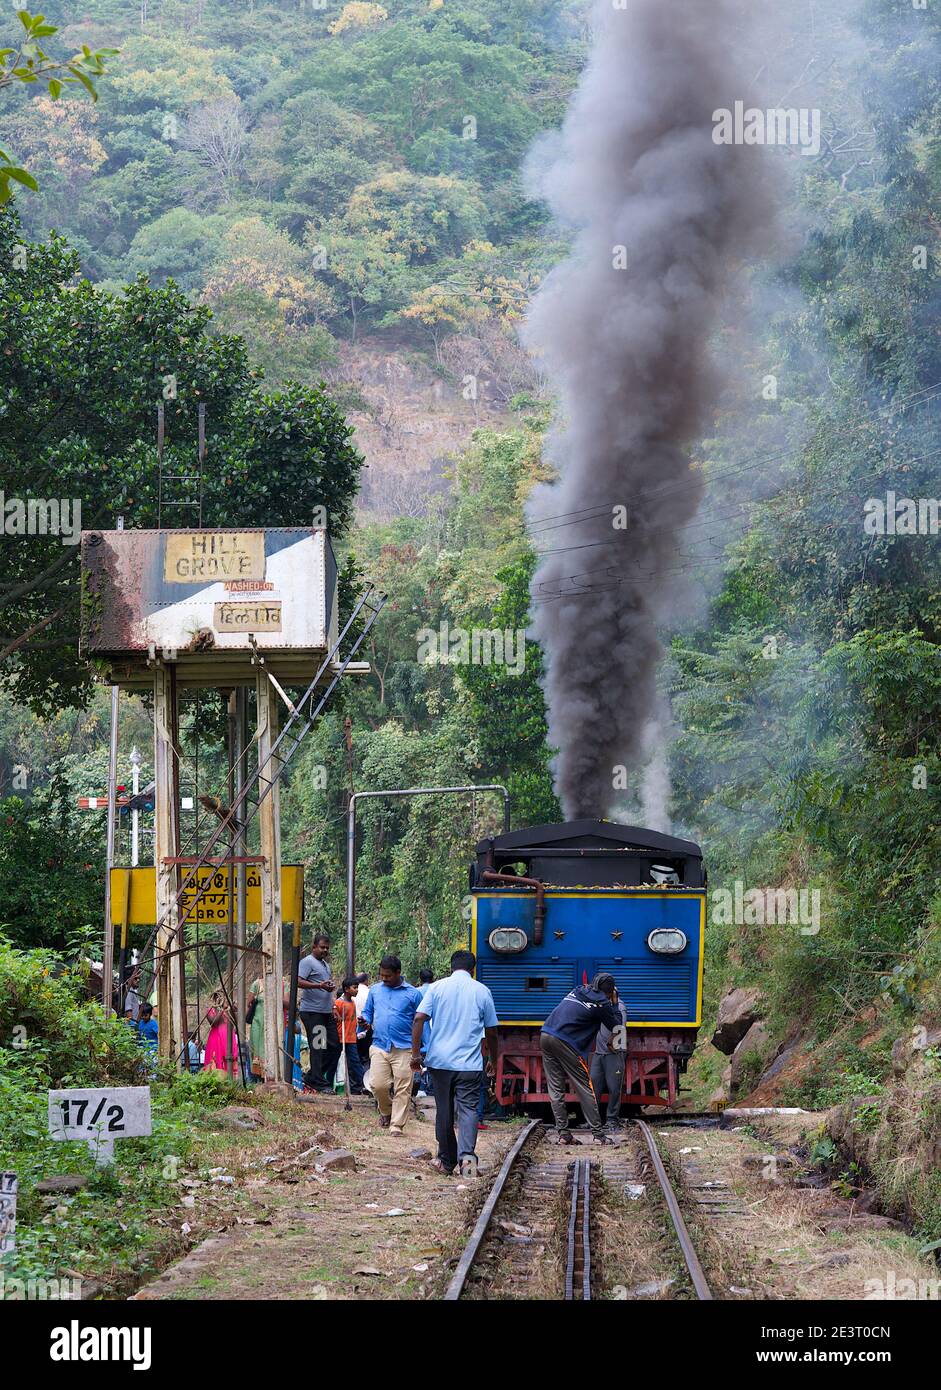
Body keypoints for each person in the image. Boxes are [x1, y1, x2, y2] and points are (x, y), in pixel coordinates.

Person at [411, 949, 498, 1178]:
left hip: (439, 1062)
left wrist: (415, 1055)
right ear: (473, 969)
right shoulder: (482, 991)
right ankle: (467, 1164)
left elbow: (419, 1018)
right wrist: (493, 1060)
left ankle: (446, 1162)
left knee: (444, 1112)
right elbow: (491, 1030)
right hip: (469, 1065)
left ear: (451, 967)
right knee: (469, 1111)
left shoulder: (437, 988)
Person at [539, 973, 622, 1144]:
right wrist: (614, 1003)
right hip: (566, 1042)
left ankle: (563, 1134)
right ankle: (598, 1135)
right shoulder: (603, 1003)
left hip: (546, 1034)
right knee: (585, 1087)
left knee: (555, 1088)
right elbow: (617, 1027)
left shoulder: (578, 990)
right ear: (610, 991)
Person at [361, 955, 422, 1136]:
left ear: (398, 973)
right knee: (377, 1085)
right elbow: (367, 1012)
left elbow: (421, 1022)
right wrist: (364, 1021)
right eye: (381, 975)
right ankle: (386, 1112)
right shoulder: (375, 991)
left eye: (388, 975)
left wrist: (421, 1050)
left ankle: (396, 1125)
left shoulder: (413, 994)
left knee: (403, 1087)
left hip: (404, 1048)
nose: (384, 979)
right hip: (380, 1045)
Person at [297, 935, 341, 1092]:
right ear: (314, 946)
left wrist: (333, 1008)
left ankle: (313, 1076)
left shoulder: (325, 965)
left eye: (327, 948)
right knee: (318, 1047)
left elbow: (327, 989)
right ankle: (318, 1081)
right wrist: (319, 985)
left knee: (335, 1046)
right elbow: (298, 981)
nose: (325, 950)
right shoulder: (307, 962)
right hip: (313, 1012)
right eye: (322, 947)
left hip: (326, 1012)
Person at [590, 991, 629, 1131]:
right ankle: (593, 1121)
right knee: (594, 1086)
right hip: (599, 1053)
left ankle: (612, 1120)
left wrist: (614, 1045)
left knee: (614, 1088)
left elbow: (620, 1028)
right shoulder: (601, 1006)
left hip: (614, 1053)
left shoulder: (620, 1008)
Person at [334, 978, 366, 1094]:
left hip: (351, 1038)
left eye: (357, 987)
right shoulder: (339, 1003)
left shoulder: (352, 1002)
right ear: (346, 989)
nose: (357, 990)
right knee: (338, 1063)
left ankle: (358, 1086)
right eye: (354, 987)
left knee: (355, 1063)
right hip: (341, 1037)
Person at [203, 992, 238, 1073]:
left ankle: (231, 1080)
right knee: (216, 1060)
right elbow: (213, 1022)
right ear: (214, 1000)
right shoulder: (210, 1010)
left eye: (221, 998)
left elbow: (237, 1021)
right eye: (217, 998)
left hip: (228, 1039)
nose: (219, 1000)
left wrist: (234, 1010)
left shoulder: (228, 1010)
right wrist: (222, 1010)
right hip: (216, 1040)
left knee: (230, 1060)